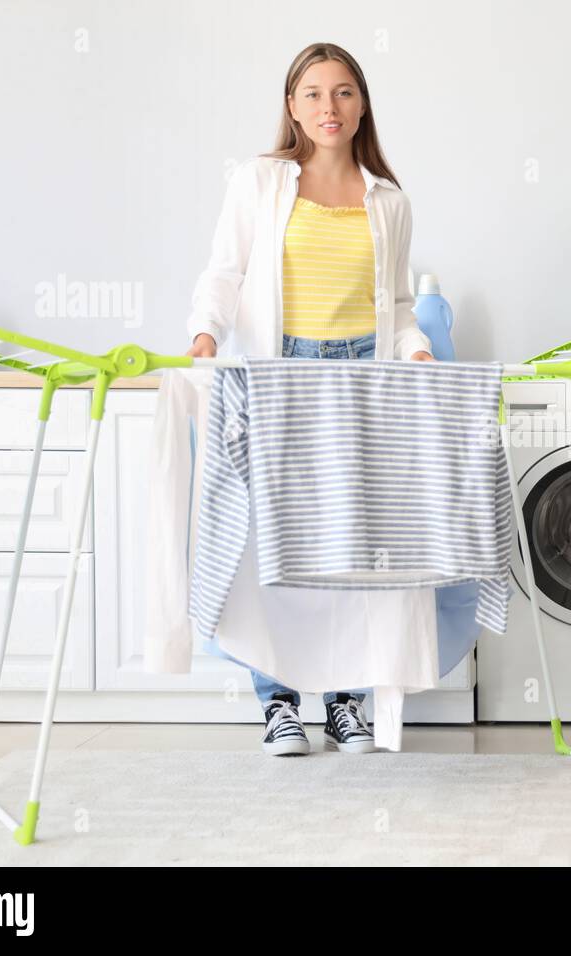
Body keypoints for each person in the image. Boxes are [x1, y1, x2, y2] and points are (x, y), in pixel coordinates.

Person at [185, 42, 435, 757]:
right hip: (280, 374)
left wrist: (415, 349)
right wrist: (204, 337)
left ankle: (348, 704)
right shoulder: (259, 182)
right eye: (315, 94)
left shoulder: (388, 199)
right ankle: (280, 703)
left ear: (362, 105)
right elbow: (224, 274)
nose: (330, 108)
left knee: (352, 547)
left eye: (345, 93)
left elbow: (399, 302)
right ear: (292, 106)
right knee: (277, 548)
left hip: (364, 381)